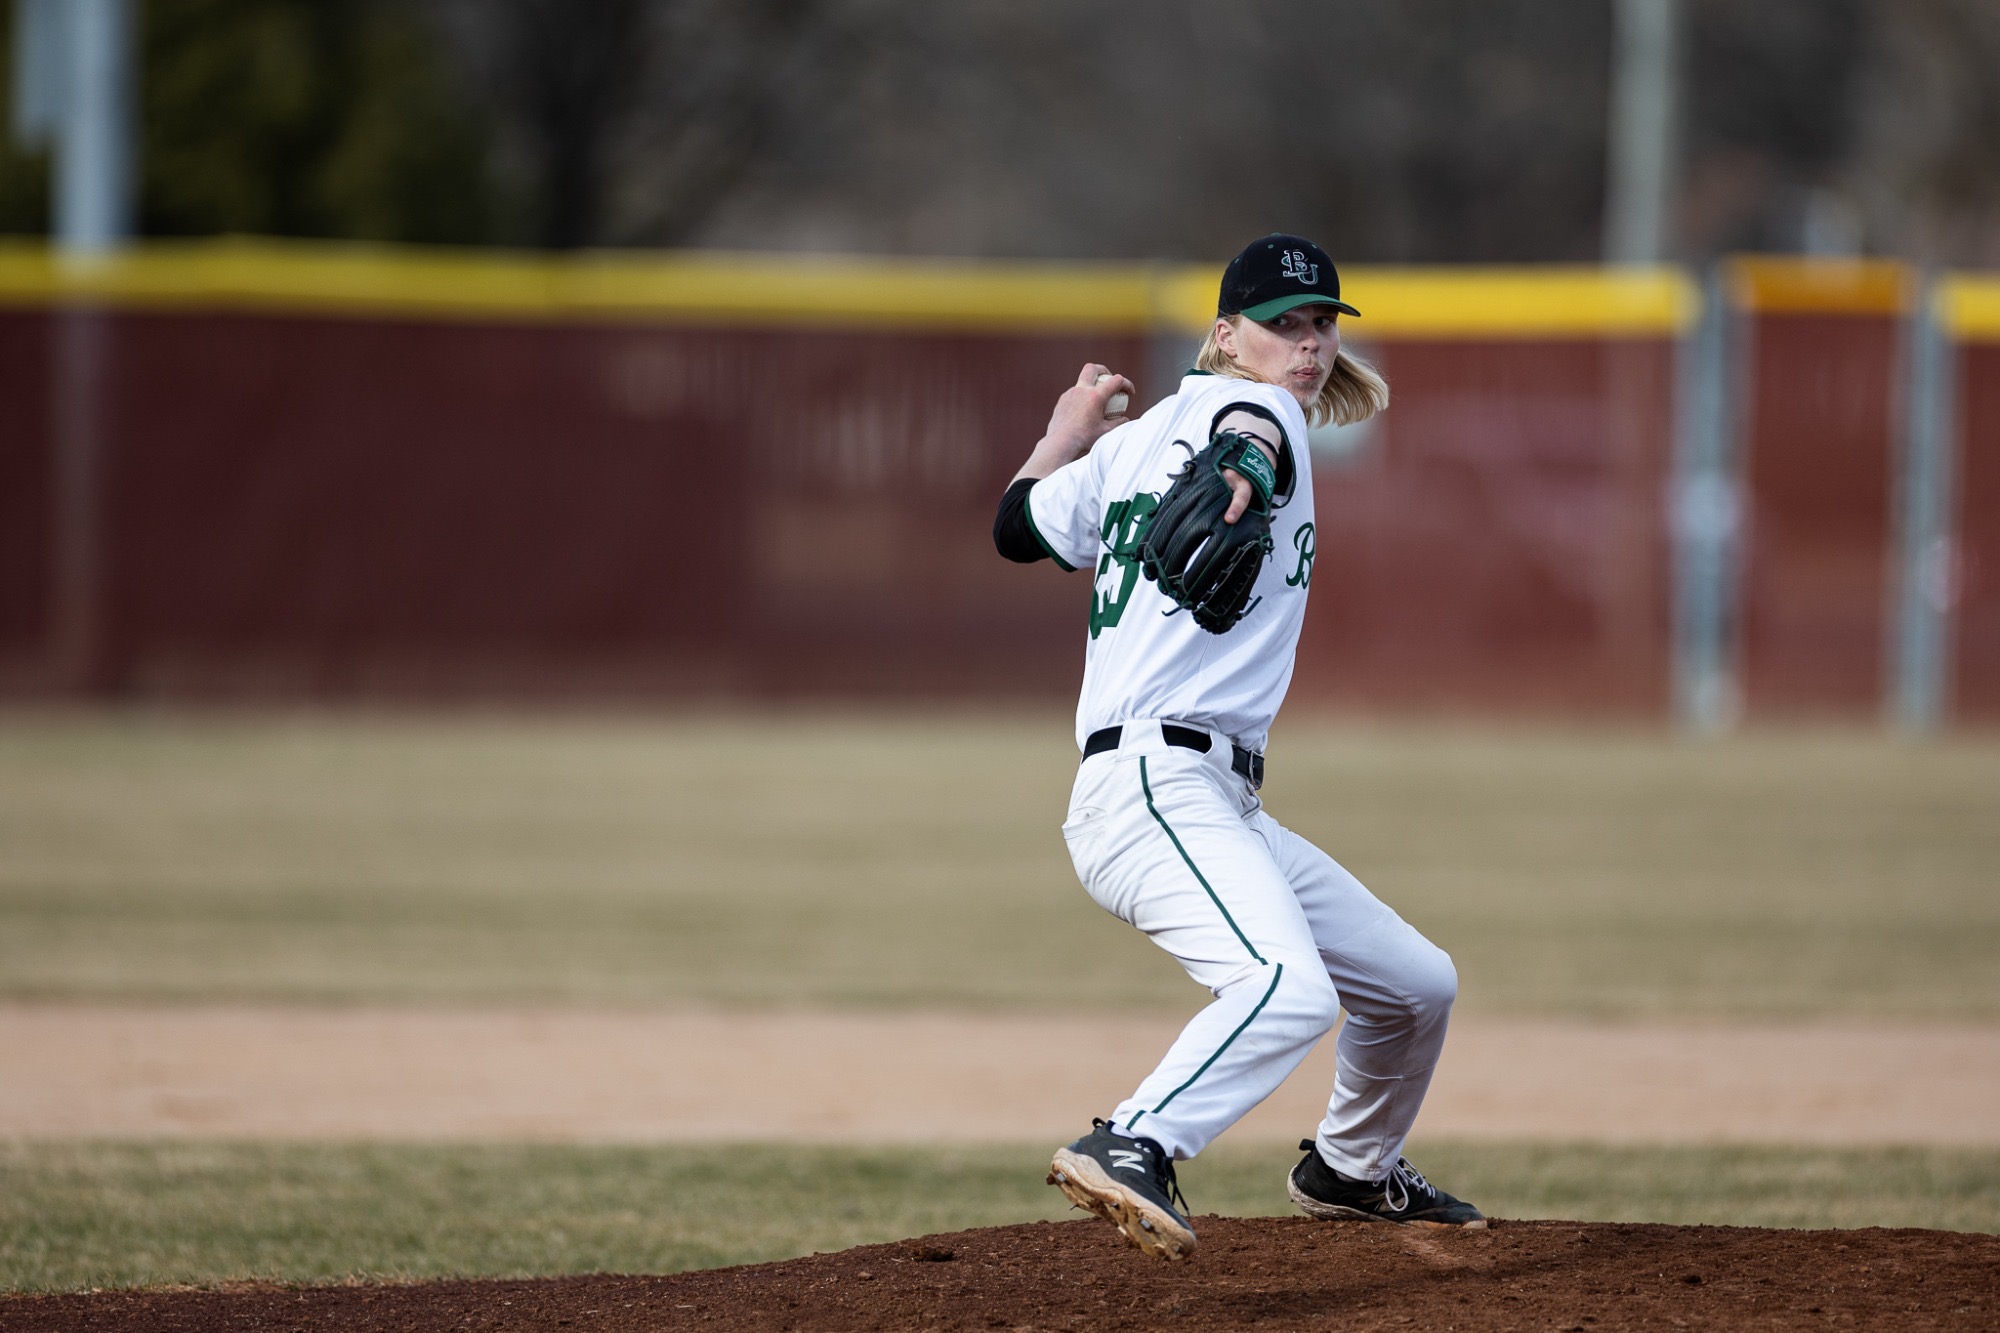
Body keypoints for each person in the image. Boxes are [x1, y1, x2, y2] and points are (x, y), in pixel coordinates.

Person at [992, 234, 1484, 1261]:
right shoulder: (1254, 412)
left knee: (1412, 983)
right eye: (1281, 325)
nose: (1304, 347)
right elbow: (1248, 436)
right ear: (1224, 336)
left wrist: (1059, 435)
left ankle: (1350, 1167)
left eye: (1318, 326)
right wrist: (1240, 479)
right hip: (1151, 784)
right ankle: (1132, 1138)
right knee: (1286, 987)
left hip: (1207, 793)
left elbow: (1014, 524)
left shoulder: (1124, 448)